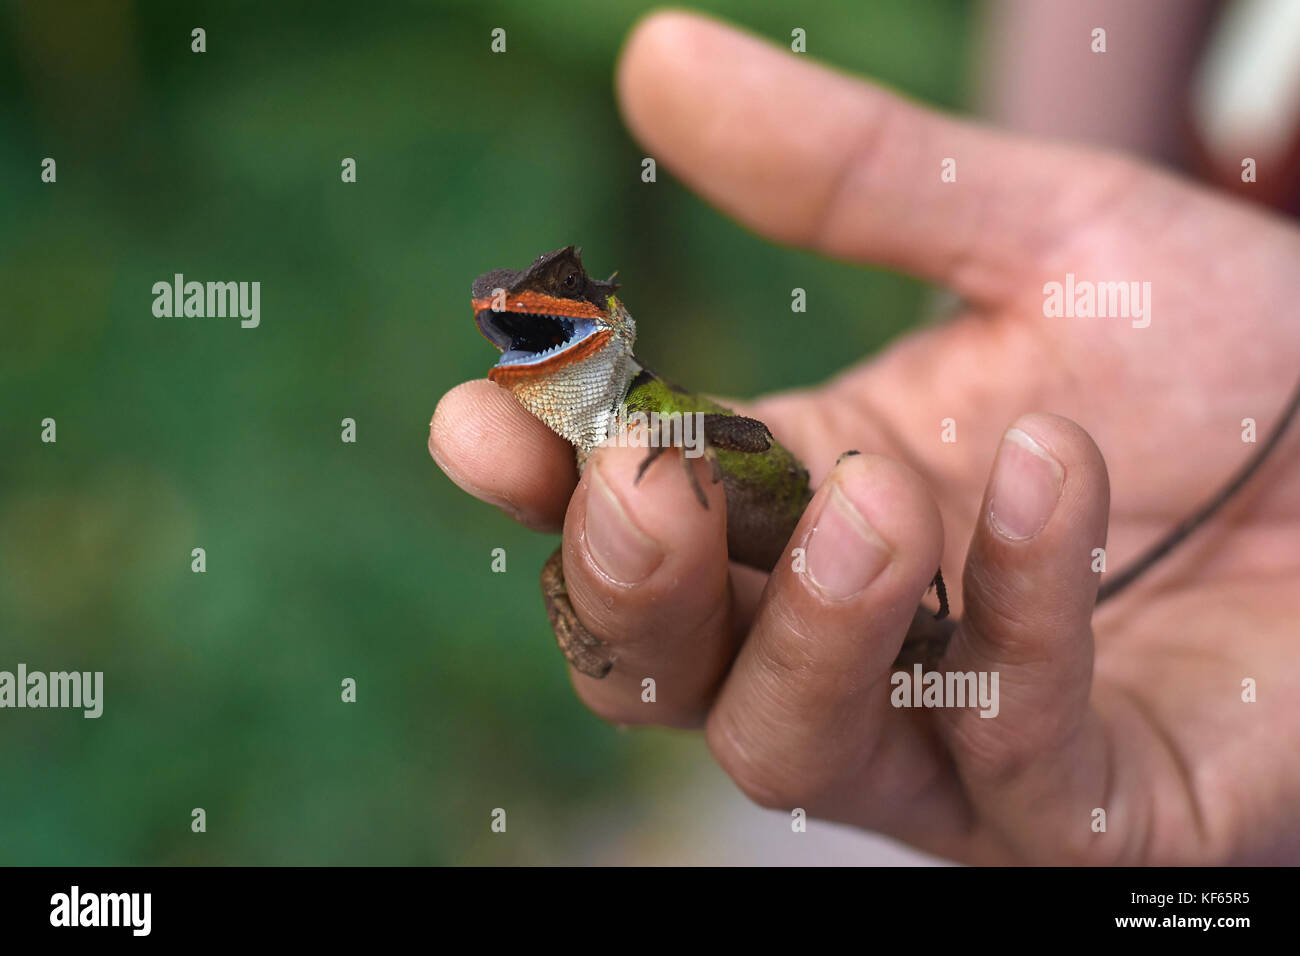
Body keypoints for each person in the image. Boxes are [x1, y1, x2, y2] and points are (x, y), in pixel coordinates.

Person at [430, 11, 1300, 864]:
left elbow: (736, 429)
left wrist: (689, 440)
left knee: (903, 626)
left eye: (569, 285)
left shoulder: (657, 410)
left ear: (608, 315)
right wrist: (567, 604)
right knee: (914, 676)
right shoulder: (596, 458)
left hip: (803, 506)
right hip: (831, 585)